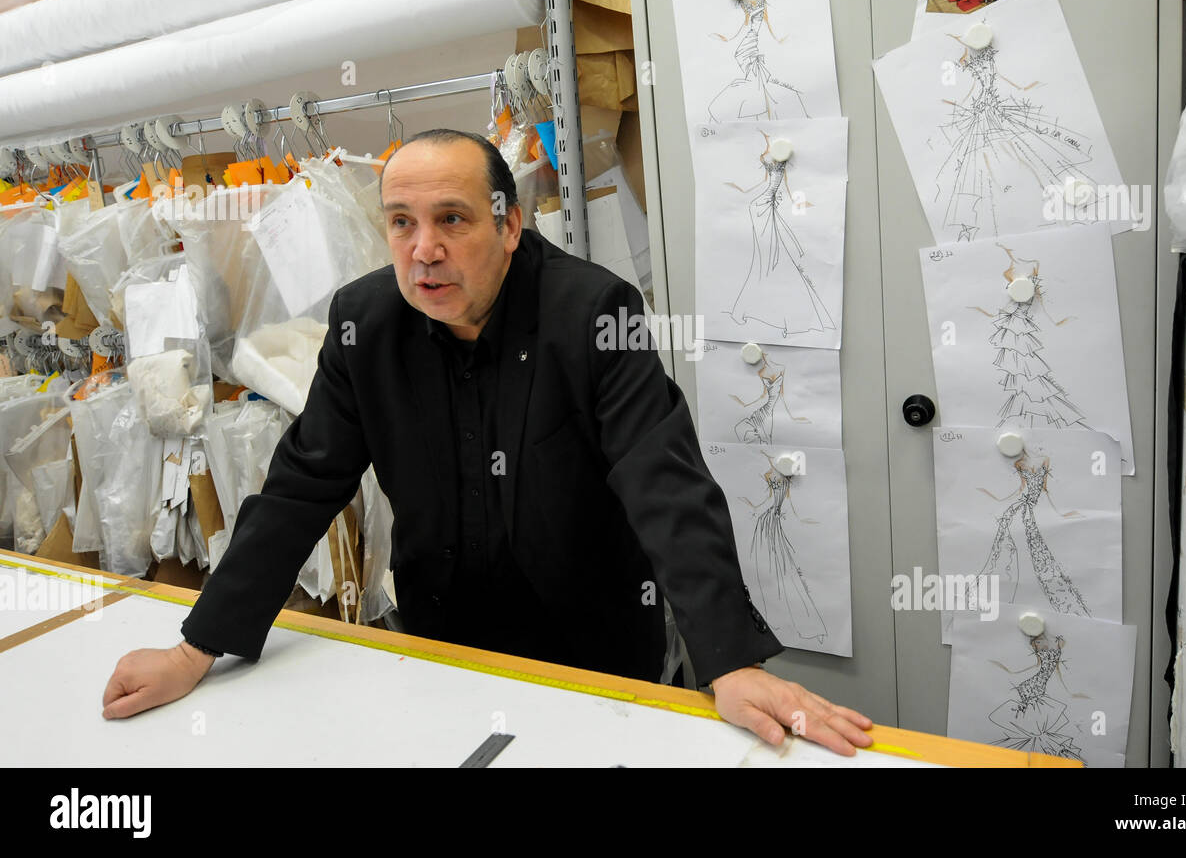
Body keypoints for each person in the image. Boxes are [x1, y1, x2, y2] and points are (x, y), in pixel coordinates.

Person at [100, 129, 873, 757]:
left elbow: (663, 478)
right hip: (444, 646)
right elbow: (301, 485)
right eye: (401, 221)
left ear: (508, 224)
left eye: (452, 219)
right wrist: (195, 649)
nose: (423, 248)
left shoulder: (592, 312)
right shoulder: (363, 325)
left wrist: (728, 660)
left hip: (594, 657)